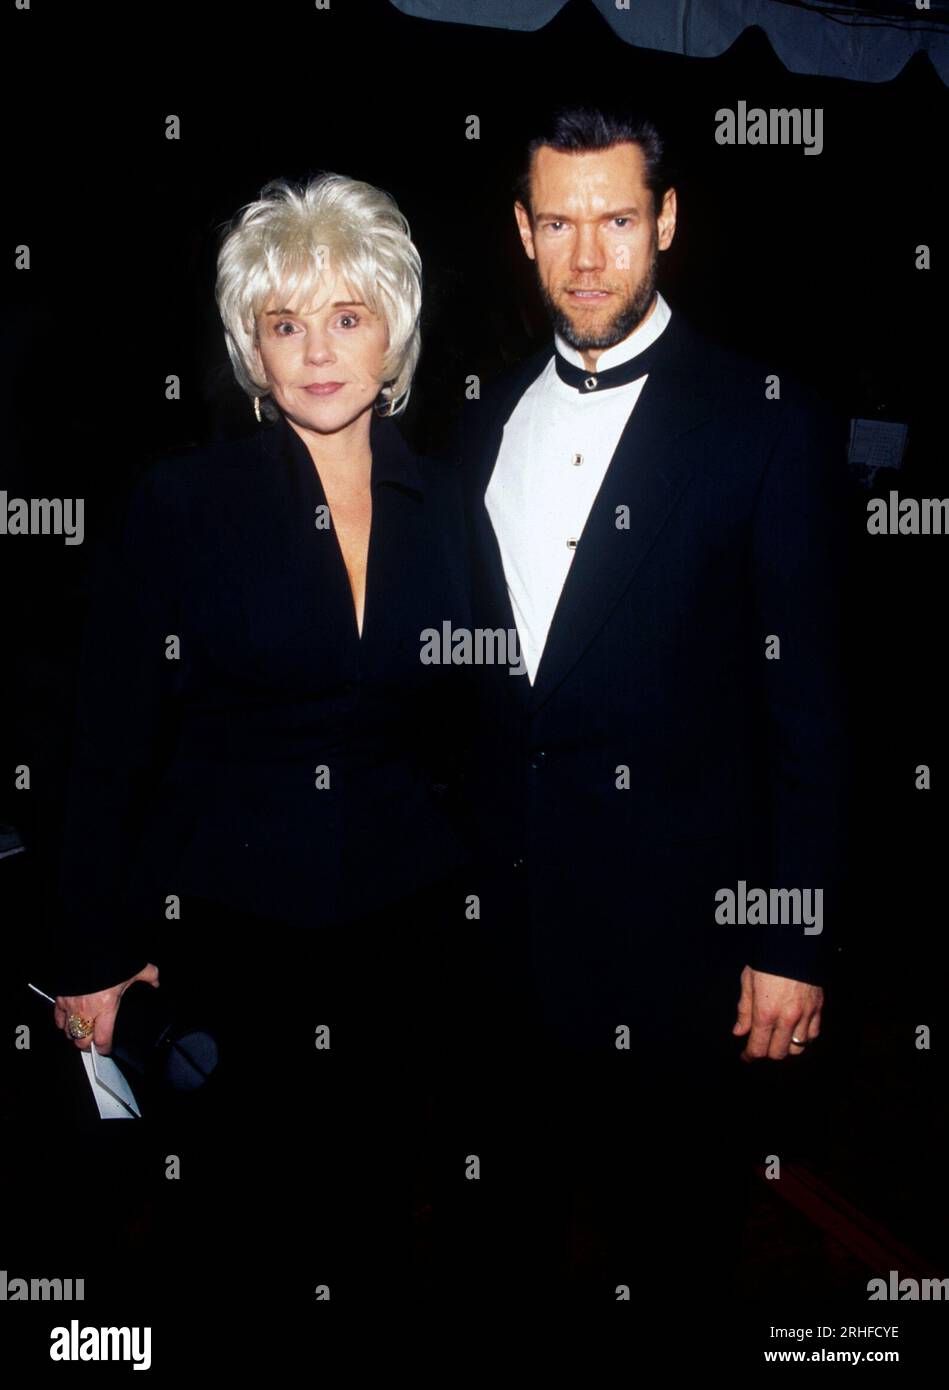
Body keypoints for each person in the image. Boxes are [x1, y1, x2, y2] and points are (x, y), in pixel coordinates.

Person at [47, 173, 476, 1311]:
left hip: (403, 933)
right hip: (229, 937)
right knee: (234, 1236)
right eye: (285, 323)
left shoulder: (450, 505)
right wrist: (97, 947)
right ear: (251, 344)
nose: (318, 351)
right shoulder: (182, 501)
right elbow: (110, 740)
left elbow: (479, 726)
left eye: (347, 316)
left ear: (395, 335)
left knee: (377, 1218)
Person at [455, 105, 851, 1307]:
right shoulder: (481, 416)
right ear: (522, 232)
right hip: (499, 945)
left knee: (672, 1257)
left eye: (617, 221)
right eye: (560, 224)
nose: (588, 257)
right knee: (499, 1243)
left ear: (665, 221)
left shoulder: (766, 420)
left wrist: (791, 937)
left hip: (678, 953)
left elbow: (814, 706)